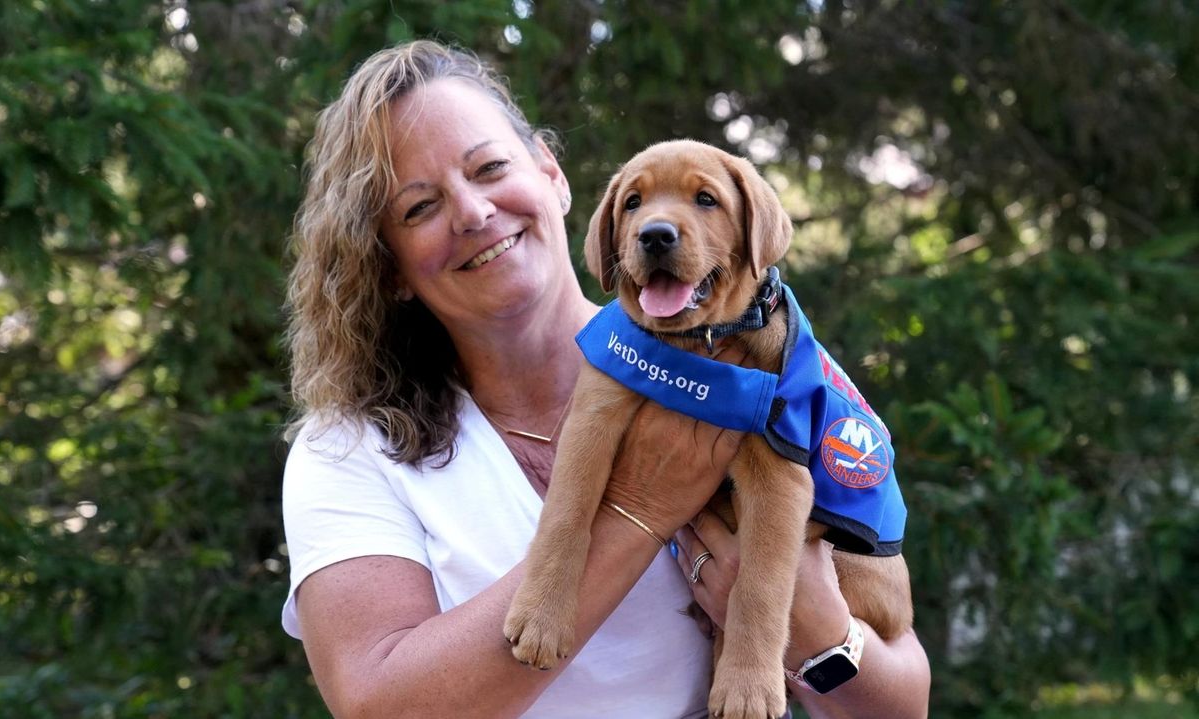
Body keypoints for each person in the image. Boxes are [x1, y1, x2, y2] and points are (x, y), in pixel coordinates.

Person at [282, 39, 930, 718]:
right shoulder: (348, 452)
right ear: (388, 266)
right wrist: (637, 509)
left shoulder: (754, 364)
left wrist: (821, 635)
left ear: (552, 175)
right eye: (419, 207)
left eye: (490, 167)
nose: (473, 213)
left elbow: (903, 701)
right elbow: (380, 707)